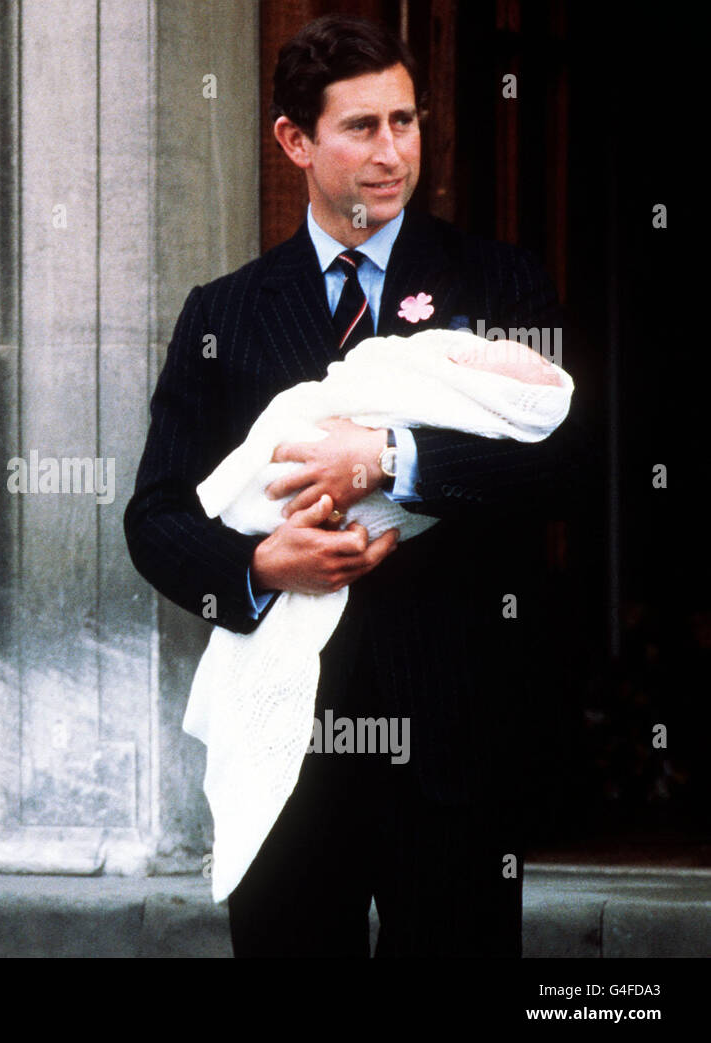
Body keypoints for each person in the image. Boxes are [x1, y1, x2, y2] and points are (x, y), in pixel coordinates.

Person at [124, 15, 587, 956]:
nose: (393, 153)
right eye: (362, 128)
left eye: (405, 123)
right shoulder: (223, 313)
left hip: (454, 738)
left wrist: (388, 458)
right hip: (286, 747)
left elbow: (565, 465)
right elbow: (156, 515)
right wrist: (261, 564)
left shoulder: (498, 282)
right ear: (295, 141)